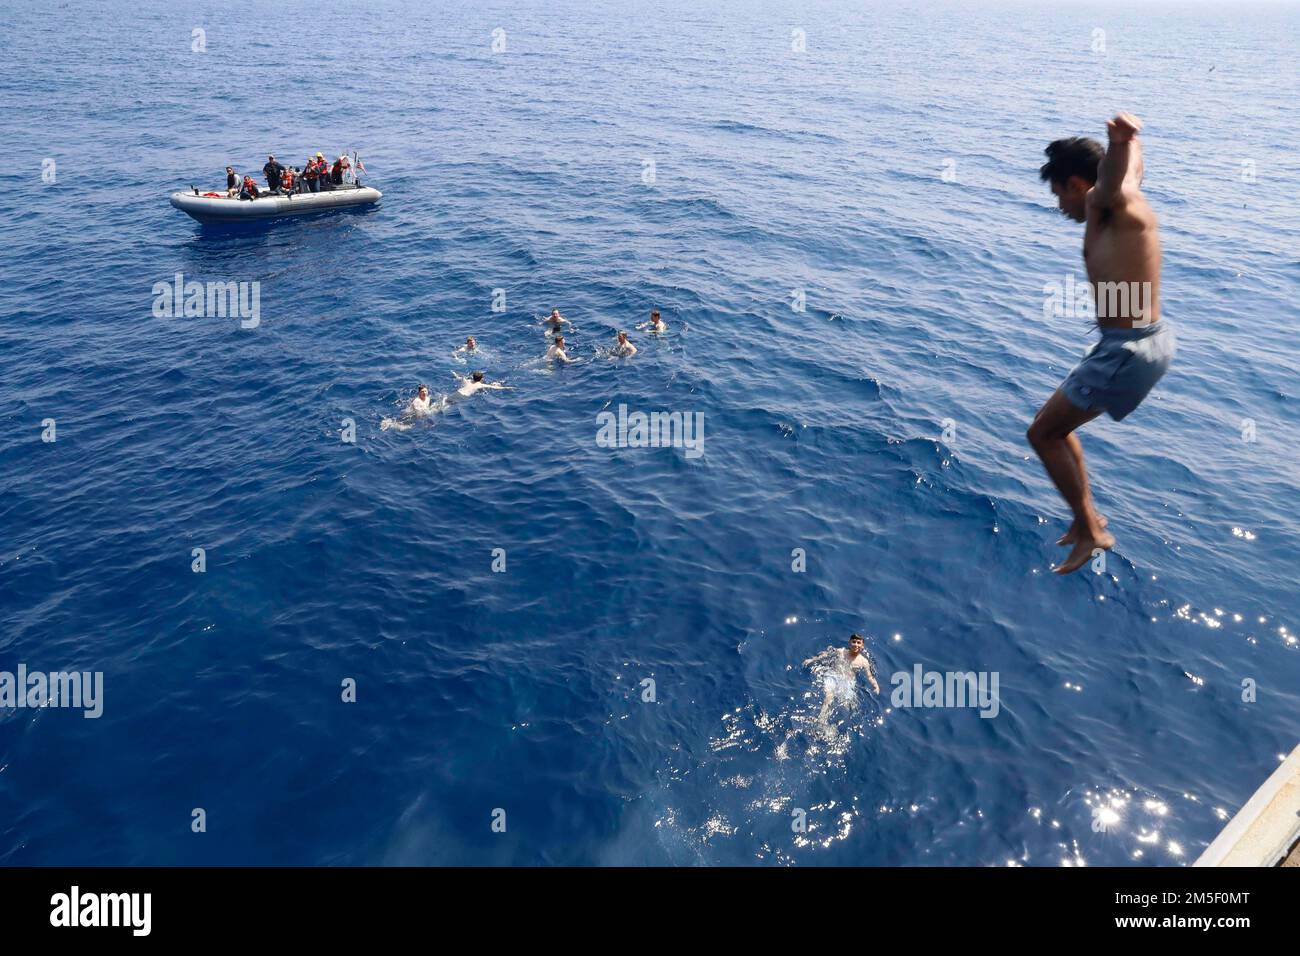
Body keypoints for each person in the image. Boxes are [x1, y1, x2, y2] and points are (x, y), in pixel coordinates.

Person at [1029, 113, 1175, 575]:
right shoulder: (1127, 198)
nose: (1060, 207)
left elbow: (1109, 182)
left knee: (1042, 434)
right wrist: (1129, 145)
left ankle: (1092, 532)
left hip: (1125, 350)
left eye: (1059, 195)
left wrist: (1116, 141)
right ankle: (1086, 518)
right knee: (1057, 429)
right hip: (1130, 342)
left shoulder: (1103, 201)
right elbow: (1131, 171)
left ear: (1076, 185)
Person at [802, 633, 880, 724]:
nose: (856, 644)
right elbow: (826, 655)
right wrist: (812, 660)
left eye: (859, 643)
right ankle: (821, 719)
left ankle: (837, 724)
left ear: (862, 645)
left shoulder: (864, 662)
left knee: (847, 705)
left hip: (847, 682)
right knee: (829, 697)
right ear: (849, 642)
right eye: (854, 642)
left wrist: (876, 686)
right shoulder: (841, 652)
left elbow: (870, 676)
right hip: (833, 676)